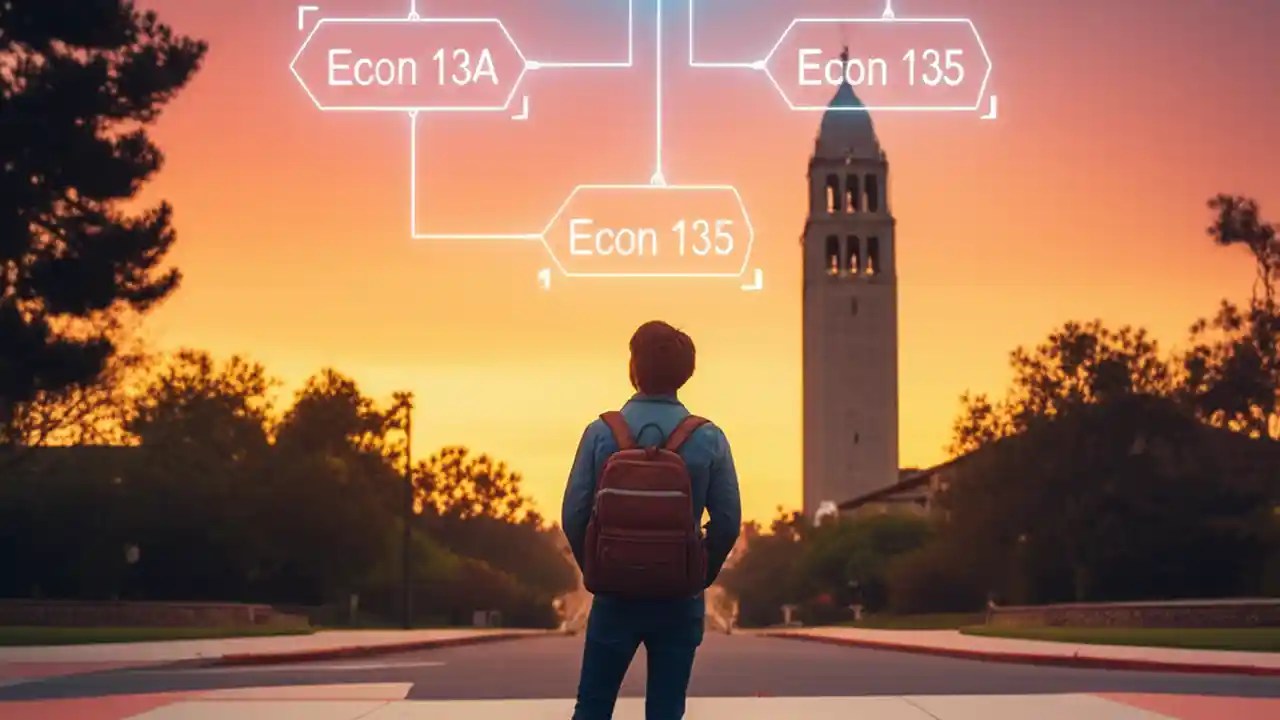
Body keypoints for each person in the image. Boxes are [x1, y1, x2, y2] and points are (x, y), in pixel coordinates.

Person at [561, 320, 742, 720]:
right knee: (666, 709)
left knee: (593, 705)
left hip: (615, 595)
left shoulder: (600, 433)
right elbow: (728, 522)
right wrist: (696, 574)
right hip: (678, 596)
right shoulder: (709, 438)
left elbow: (573, 514)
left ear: (633, 368)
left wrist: (598, 569)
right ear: (686, 374)